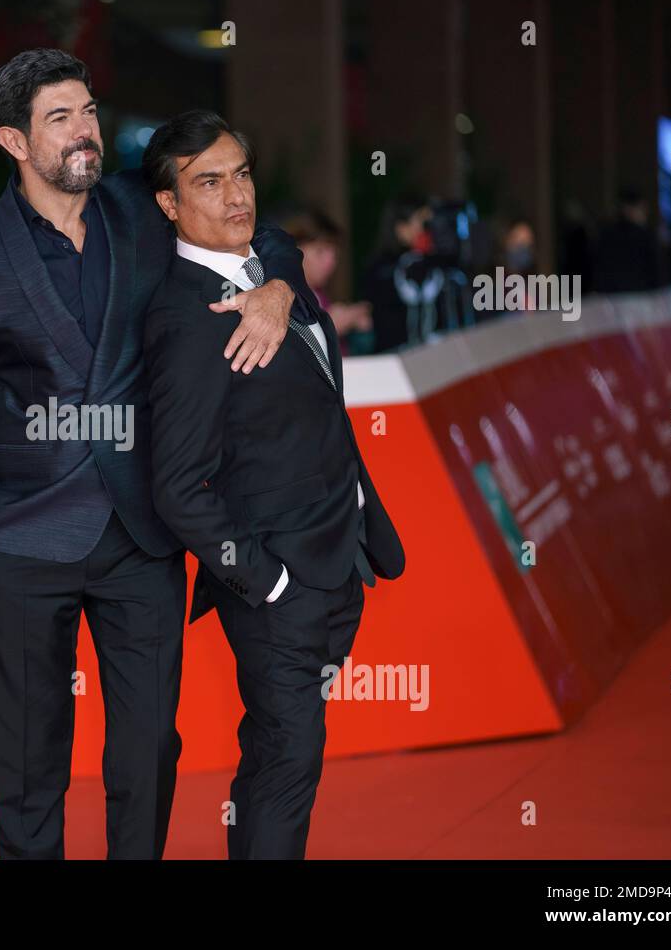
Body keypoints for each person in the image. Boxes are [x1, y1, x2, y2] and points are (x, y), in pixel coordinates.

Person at [0, 49, 321, 859]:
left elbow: (264, 235)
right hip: (21, 539)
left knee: (148, 753)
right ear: (12, 141)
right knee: (30, 764)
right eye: (59, 119)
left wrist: (278, 287)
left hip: (140, 533)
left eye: (89, 112)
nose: (83, 133)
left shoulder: (143, 213)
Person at [141, 110, 405, 859]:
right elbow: (177, 486)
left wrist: (282, 287)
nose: (235, 197)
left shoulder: (269, 267)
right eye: (209, 182)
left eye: (242, 174)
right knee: (288, 766)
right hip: (279, 585)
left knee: (284, 760)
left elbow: (279, 246)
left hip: (341, 556)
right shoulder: (187, 320)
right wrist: (271, 585)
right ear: (169, 205)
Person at [285, 209, 372, 354]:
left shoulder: (320, 296)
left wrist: (360, 331)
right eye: (320, 251)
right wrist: (329, 328)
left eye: (335, 255)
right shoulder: (280, 296)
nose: (330, 262)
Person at [361, 195, 431, 352]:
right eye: (421, 220)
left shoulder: (422, 262)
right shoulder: (384, 269)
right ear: (400, 227)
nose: (426, 228)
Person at [595, 187, 662, 293]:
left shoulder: (606, 234)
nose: (645, 213)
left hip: (613, 298)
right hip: (641, 297)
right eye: (641, 209)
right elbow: (657, 273)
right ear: (628, 209)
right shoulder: (645, 236)